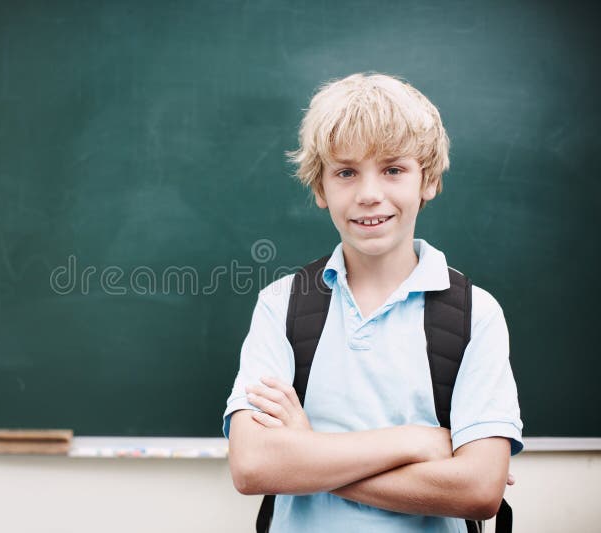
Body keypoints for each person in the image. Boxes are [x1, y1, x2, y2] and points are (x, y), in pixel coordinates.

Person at [223, 73, 523, 532]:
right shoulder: (281, 304)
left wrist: (308, 454)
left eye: (393, 169)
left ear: (428, 180)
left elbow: (479, 490)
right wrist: (416, 442)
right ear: (321, 189)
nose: (368, 194)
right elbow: (253, 467)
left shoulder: (474, 314)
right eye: (346, 172)